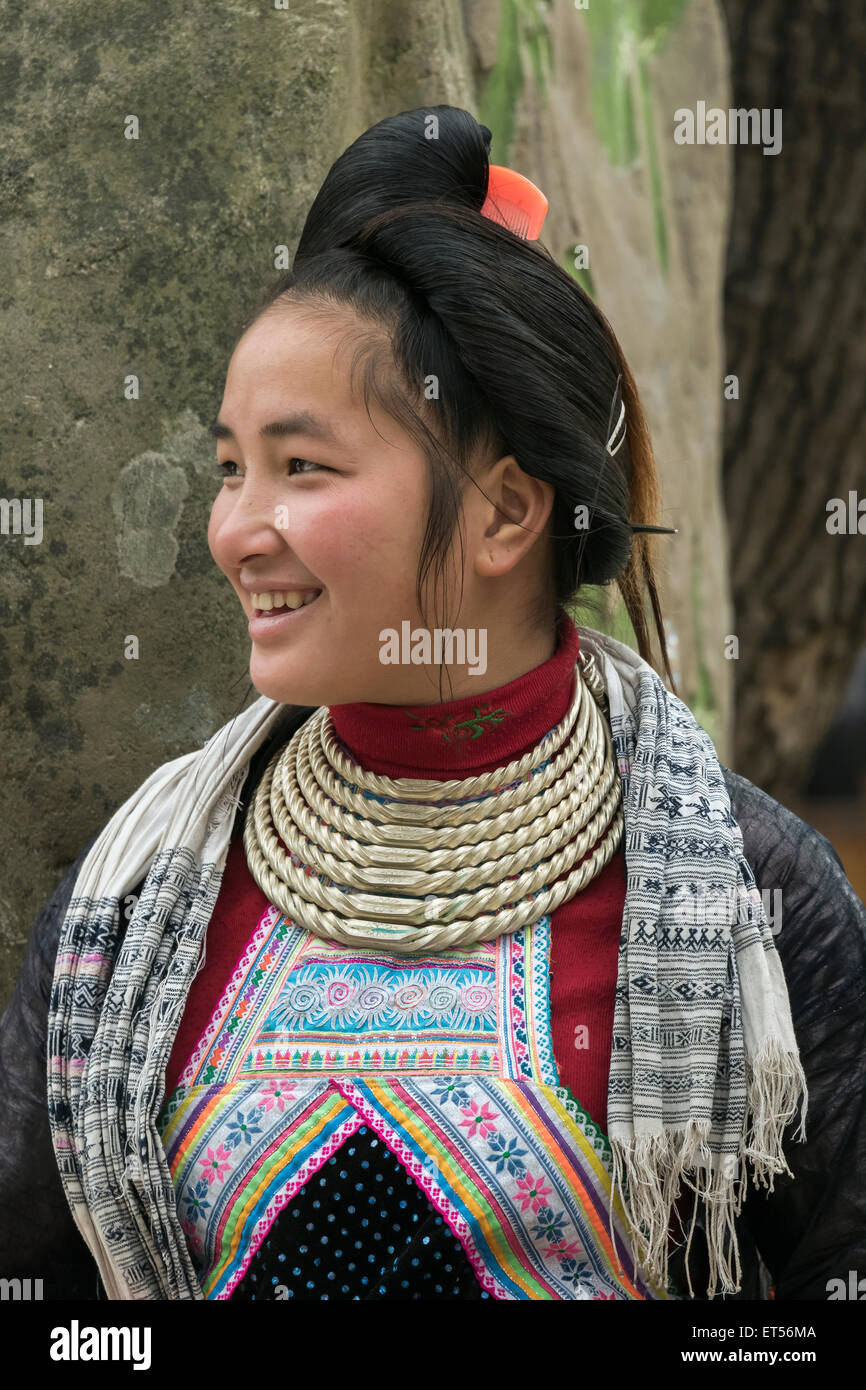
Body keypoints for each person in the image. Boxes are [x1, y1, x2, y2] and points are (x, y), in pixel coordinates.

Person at [2, 105, 865, 1303]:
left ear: (508, 513)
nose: (236, 531)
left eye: (301, 467)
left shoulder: (744, 896)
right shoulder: (140, 900)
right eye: (228, 469)